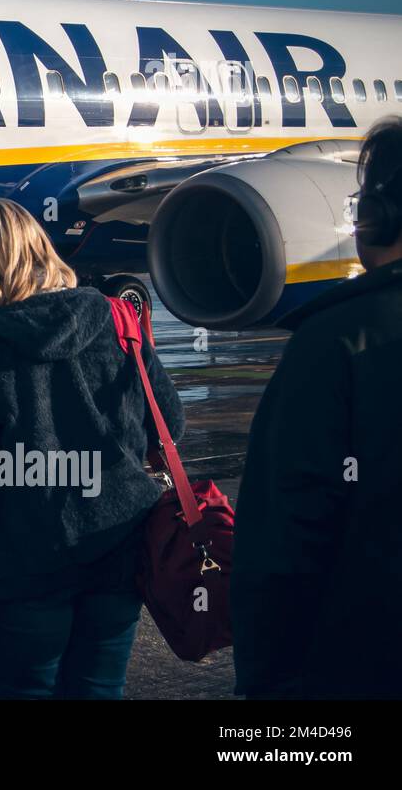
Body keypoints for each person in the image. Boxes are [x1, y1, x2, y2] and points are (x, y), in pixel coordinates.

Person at [0, 198, 177, 700]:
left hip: (26, 554)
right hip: (116, 540)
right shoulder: (116, 317)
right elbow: (169, 421)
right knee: (99, 689)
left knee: (27, 688)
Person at [232, 118, 402, 700]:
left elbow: (281, 538)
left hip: (358, 667)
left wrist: (265, 687)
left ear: (374, 219)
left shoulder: (334, 342)